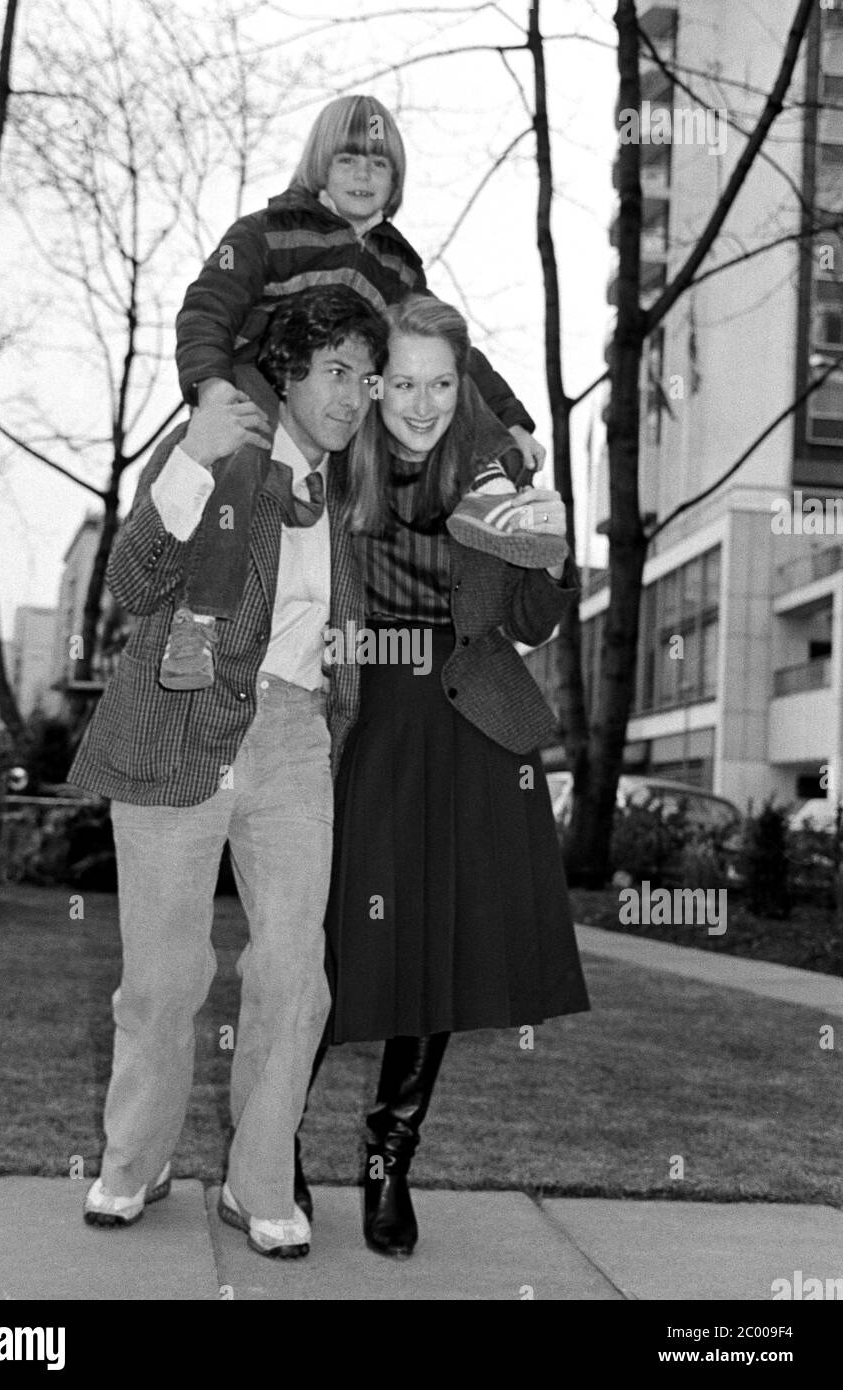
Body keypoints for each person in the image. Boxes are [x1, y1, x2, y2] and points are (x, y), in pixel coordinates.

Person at [67, 285, 387, 1260]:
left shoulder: (338, 491)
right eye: (336, 370)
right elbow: (129, 584)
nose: (355, 393)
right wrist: (195, 456)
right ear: (288, 371)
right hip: (181, 718)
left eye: (365, 377)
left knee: (294, 974)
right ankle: (134, 1161)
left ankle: (258, 1185)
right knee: (164, 977)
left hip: (289, 732)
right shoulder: (219, 437)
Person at [320, 294, 591, 1258]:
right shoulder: (329, 459)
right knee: (328, 943)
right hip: (361, 710)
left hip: (466, 713)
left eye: (441, 382)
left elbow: (527, 621)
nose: (422, 402)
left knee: (432, 948)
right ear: (373, 381)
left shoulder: (490, 468)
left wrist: (555, 552)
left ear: (461, 382)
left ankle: (389, 1161)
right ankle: (266, 1155)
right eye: (403, 382)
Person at [162, 92, 557, 693]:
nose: (363, 175)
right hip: (264, 382)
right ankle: (201, 618)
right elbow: (208, 306)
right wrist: (212, 387)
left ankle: (489, 494)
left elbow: (452, 353)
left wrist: (513, 423)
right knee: (242, 452)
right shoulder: (267, 232)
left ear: (396, 179)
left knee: (431, 379)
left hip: (342, 408)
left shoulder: (398, 268)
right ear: (319, 164)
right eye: (348, 160)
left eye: (379, 164)